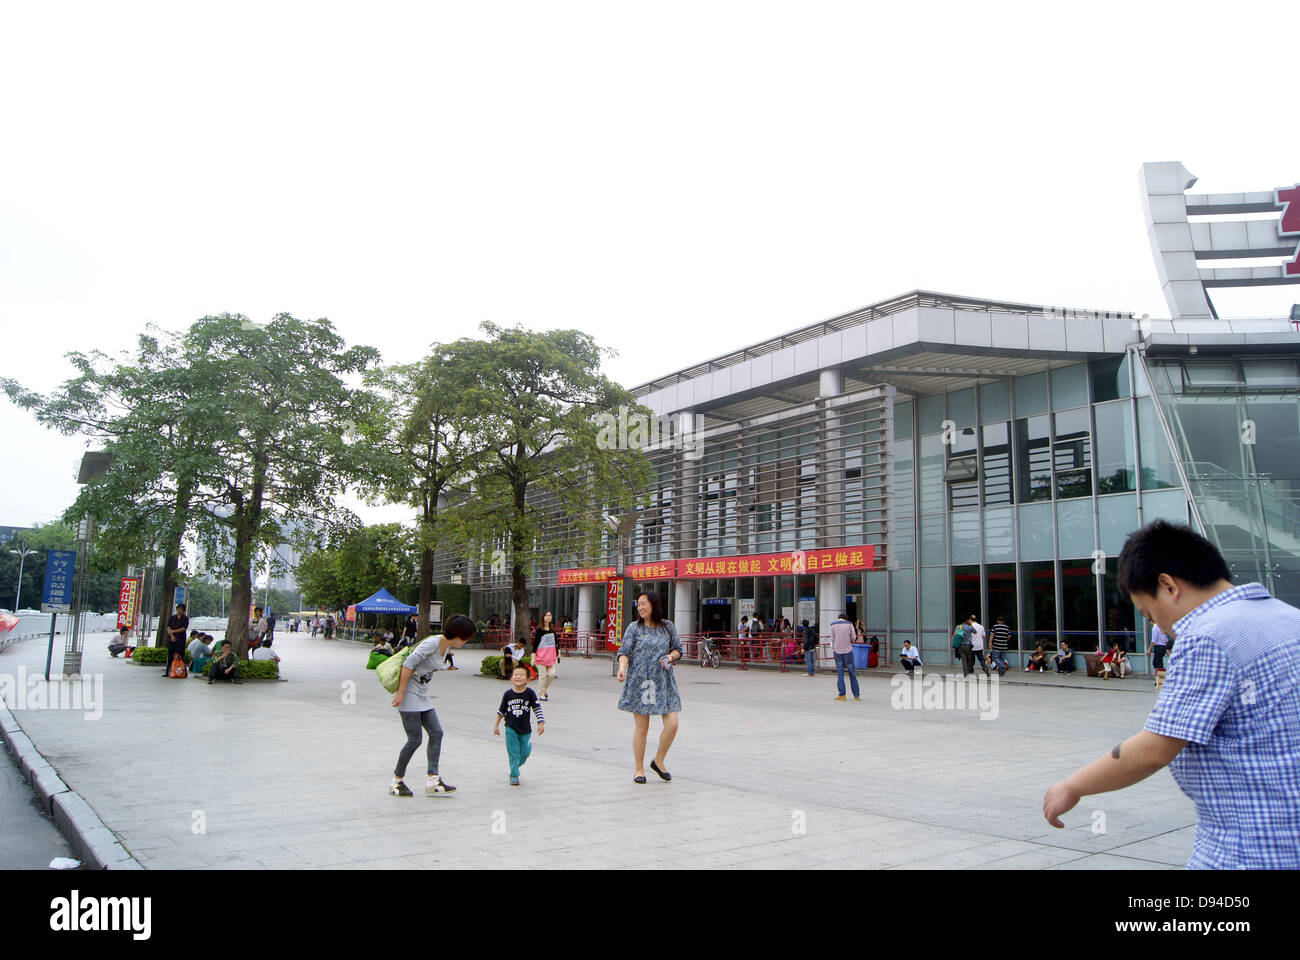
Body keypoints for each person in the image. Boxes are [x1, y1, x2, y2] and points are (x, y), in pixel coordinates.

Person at [1043, 519, 1300, 868]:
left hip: (1249, 851)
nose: (1160, 628)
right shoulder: (1288, 618)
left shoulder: (1208, 636)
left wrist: (1072, 786)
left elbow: (1154, 749)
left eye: (1149, 615)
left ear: (1167, 585)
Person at [388, 613, 476, 798]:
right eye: (467, 638)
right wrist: (401, 693)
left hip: (422, 696)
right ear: (459, 635)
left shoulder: (444, 648)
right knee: (415, 740)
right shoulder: (433, 643)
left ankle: (432, 780)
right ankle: (396, 782)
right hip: (409, 697)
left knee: (437, 733)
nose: (466, 641)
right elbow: (407, 664)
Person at [616, 591, 683, 784]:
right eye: (638, 605)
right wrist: (622, 668)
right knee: (642, 727)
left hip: (664, 680)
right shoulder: (634, 628)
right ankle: (639, 769)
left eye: (644, 604)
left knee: (672, 724)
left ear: (654, 605)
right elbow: (624, 651)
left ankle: (658, 760)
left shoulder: (667, 626)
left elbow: (678, 649)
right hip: (642, 681)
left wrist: (671, 656)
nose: (641, 607)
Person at [494, 665, 546, 785]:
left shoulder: (530, 693)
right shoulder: (507, 694)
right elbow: (501, 711)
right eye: (516, 675)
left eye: (522, 675)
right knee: (513, 753)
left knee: (525, 753)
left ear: (528, 679)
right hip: (510, 728)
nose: (518, 677)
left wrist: (541, 723)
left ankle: (515, 766)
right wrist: (496, 725)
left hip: (525, 729)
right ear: (511, 679)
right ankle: (514, 775)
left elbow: (537, 708)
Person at [828, 612, 860, 701]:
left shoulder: (832, 625)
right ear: (846, 618)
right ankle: (856, 695)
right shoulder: (849, 624)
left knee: (840, 673)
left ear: (838, 618)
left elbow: (832, 638)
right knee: (852, 673)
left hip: (837, 651)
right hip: (848, 650)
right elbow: (853, 638)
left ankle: (842, 694)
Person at [532, 611, 559, 700]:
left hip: (550, 657)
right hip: (541, 657)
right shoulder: (539, 630)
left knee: (551, 675)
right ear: (543, 617)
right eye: (547, 615)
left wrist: (558, 652)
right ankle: (541, 694)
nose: (549, 617)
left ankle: (543, 689)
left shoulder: (552, 630)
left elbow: (556, 643)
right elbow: (535, 644)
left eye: (550, 615)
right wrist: (533, 657)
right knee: (542, 676)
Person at [162, 603, 189, 678]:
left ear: (183, 610)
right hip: (172, 639)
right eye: (178, 609)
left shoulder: (185, 618)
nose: (179, 611)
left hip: (180, 640)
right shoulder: (172, 618)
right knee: (170, 655)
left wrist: (173, 632)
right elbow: (168, 627)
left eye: (181, 609)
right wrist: (172, 635)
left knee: (179, 655)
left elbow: (183, 628)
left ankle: (181, 672)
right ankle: (168, 671)